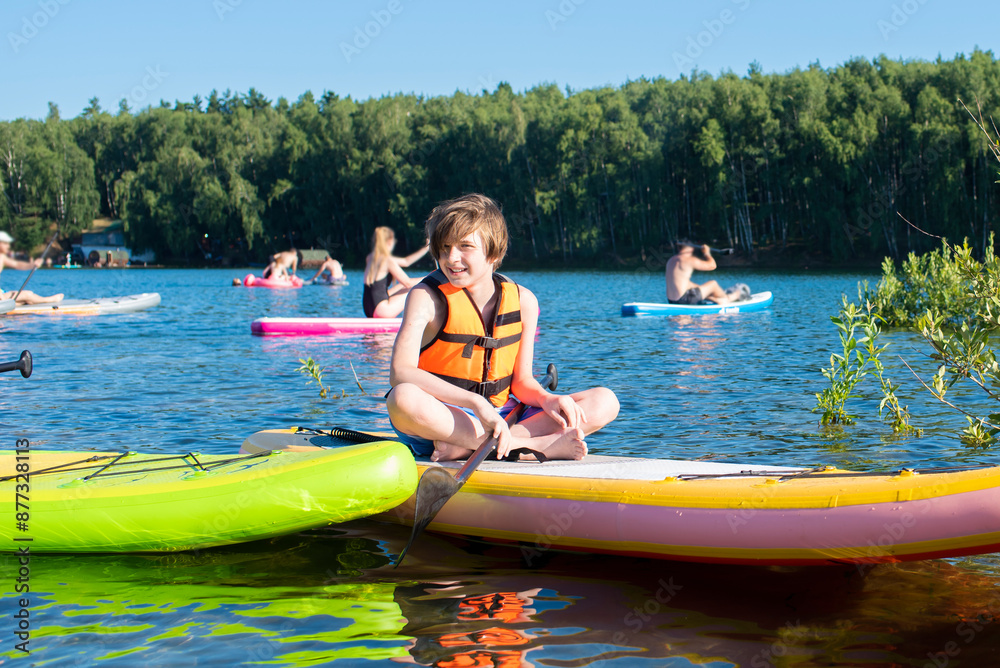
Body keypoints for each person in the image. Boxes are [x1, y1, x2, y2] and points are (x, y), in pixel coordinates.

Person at [386, 194, 619, 462]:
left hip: (504, 416)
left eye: (465, 246)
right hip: (445, 417)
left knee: (605, 401)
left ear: (493, 253)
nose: (452, 257)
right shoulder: (424, 297)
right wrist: (476, 403)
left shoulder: (524, 301)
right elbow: (400, 372)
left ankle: (474, 447)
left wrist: (546, 399)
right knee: (401, 398)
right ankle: (532, 448)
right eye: (445, 247)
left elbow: (522, 382)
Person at [362, 227, 429, 318]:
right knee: (414, 288)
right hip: (382, 311)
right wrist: (431, 276)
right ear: (389, 242)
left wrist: (426, 249)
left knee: (401, 285)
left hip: (368, 309)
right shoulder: (387, 260)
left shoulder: (370, 257)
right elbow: (408, 283)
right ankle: (415, 320)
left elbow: (406, 261)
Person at [0, 231, 63, 304]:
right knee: (28, 295)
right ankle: (48, 300)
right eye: (5, 243)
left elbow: (17, 264)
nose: (8, 246)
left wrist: (33, 265)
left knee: (25, 299)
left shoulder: (2, 257)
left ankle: (18, 303)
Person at [665, 241, 731, 305]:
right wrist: (707, 253)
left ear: (679, 248)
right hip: (685, 300)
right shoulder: (688, 259)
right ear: (691, 249)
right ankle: (726, 301)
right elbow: (713, 265)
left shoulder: (671, 260)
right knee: (713, 284)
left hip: (672, 301)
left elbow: (684, 283)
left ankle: (715, 299)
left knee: (693, 286)